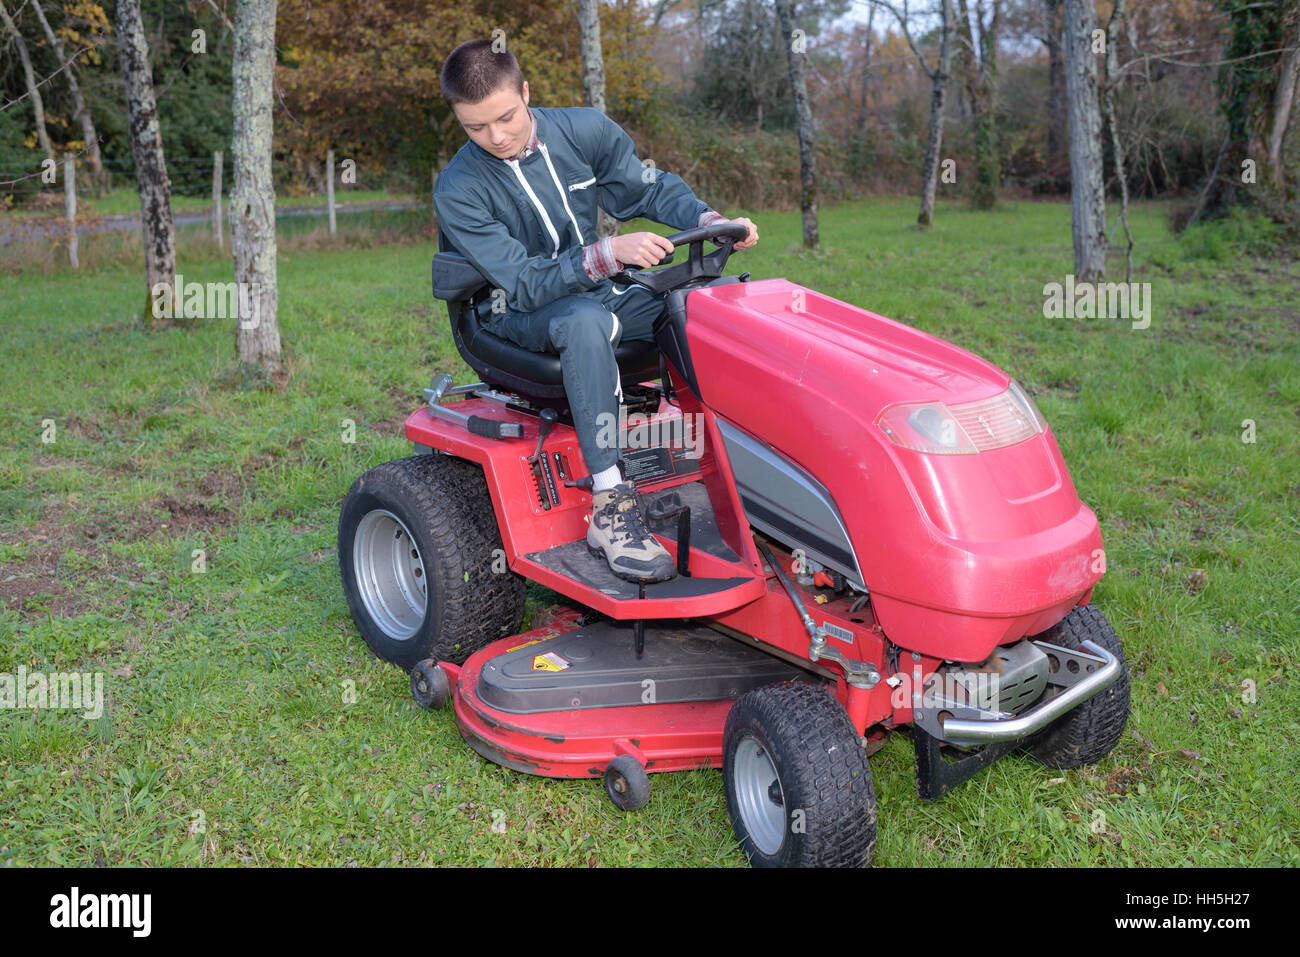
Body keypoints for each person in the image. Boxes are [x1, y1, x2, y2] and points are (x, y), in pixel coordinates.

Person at [434, 39, 758, 585]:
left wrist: (708, 218)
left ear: (526, 93)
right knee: (585, 321)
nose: (497, 137)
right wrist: (607, 254)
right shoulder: (459, 188)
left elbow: (646, 190)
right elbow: (526, 283)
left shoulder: (584, 131)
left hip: (592, 288)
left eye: (506, 117)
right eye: (476, 127)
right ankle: (610, 508)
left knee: (703, 303)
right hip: (510, 312)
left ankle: (749, 462)